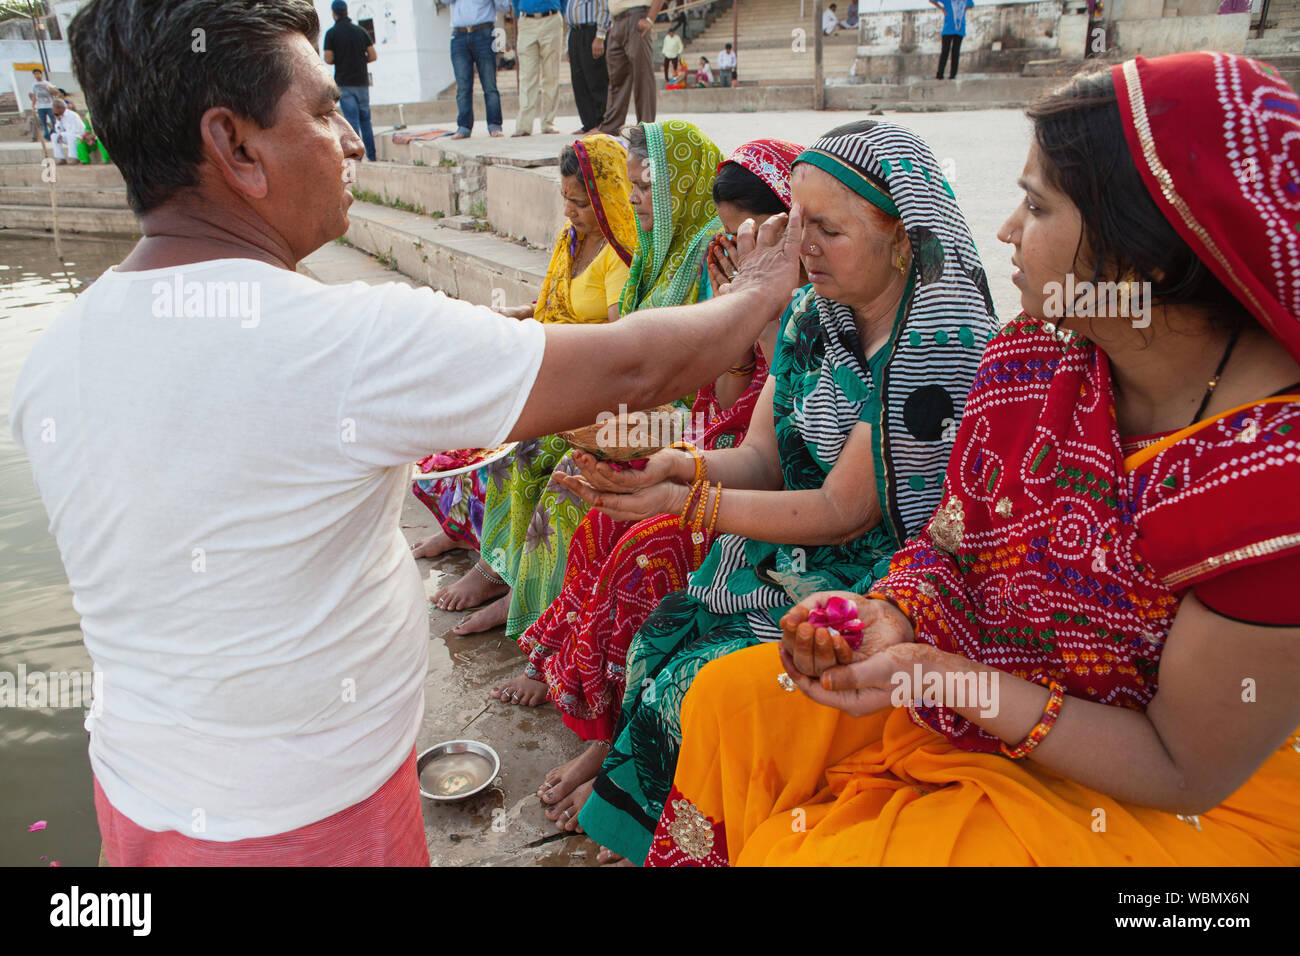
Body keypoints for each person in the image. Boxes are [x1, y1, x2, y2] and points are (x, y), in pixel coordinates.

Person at [11, 0, 800, 867]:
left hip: (141, 795)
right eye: (321, 111)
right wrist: (761, 288)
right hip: (305, 821)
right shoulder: (338, 341)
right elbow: (634, 369)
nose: (352, 139)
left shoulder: (55, 357)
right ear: (235, 146)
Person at [647, 52, 1300, 868]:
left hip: (1163, 791)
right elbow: (950, 544)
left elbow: (1181, 765)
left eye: (1036, 205)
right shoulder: (1032, 360)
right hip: (976, 677)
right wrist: (890, 612)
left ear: (1153, 252)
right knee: (730, 701)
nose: (1004, 230)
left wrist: (938, 677)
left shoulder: (1273, 485)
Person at [571, 120, 1000, 863]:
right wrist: (684, 469)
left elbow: (847, 511)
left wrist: (690, 502)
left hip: (879, 579)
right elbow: (765, 456)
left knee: (703, 680)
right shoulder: (812, 316)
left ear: (901, 236)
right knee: (666, 622)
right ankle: (643, 799)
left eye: (828, 230)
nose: (802, 249)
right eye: (800, 224)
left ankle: (687, 825)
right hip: (789, 544)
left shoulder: (935, 346)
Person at [508, 141, 803, 827]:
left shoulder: (826, 320)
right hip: (718, 445)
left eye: (757, 237)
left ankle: (623, 758)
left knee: (648, 553)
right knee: (584, 489)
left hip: (766, 503)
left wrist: (678, 480)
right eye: (733, 237)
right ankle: (589, 710)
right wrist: (744, 320)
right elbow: (728, 401)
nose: (742, 249)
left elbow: (793, 467)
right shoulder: (712, 271)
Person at [446, 120, 725, 639]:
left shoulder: (710, 257)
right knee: (526, 445)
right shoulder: (657, 248)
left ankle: (542, 624)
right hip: (634, 402)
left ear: (680, 186)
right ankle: (505, 581)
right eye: (634, 185)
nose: (636, 196)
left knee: (569, 482)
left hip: (688, 419)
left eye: (647, 187)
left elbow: (711, 377)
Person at [410, 134, 638, 562]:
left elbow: (616, 340)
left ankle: (499, 567)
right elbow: (550, 305)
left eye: (581, 203)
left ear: (612, 196)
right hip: (549, 362)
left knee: (510, 450)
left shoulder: (618, 254)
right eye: (565, 198)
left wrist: (543, 346)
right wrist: (514, 316)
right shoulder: (569, 241)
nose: (569, 211)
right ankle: (463, 531)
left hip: (585, 381)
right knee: (458, 422)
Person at [596, 0, 663, 134]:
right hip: (617, 20)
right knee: (616, 78)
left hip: (637, 16)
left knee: (643, 76)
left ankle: (646, 129)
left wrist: (650, 19)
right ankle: (611, 128)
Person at [322, 0, 377, 160]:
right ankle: (372, 157)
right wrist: (359, 61)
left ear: (334, 13)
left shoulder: (331, 33)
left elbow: (328, 58)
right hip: (362, 82)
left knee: (352, 122)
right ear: (347, 11)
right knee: (366, 120)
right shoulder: (360, 31)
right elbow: (373, 55)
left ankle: (357, 160)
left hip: (344, 83)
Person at [450, 0, 512, 139]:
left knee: (489, 84)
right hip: (459, 35)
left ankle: (494, 125)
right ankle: (464, 127)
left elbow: (504, 7)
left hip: (483, 32)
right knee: (463, 86)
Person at [511, 0, 563, 136]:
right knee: (527, 76)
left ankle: (548, 123)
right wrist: (519, 15)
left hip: (551, 19)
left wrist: (559, 12)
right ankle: (524, 126)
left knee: (551, 74)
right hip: (526, 21)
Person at [565, 0, 611, 134]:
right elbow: (570, 14)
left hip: (591, 31)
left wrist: (600, 35)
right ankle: (588, 123)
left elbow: (604, 8)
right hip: (575, 32)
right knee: (579, 81)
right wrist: (568, 45)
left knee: (596, 77)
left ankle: (601, 123)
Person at [929, 0, 972, 80]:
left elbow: (971, 5)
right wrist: (941, 8)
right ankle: (940, 74)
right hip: (948, 29)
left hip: (960, 29)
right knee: (945, 51)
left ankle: (953, 75)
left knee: (956, 52)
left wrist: (962, 10)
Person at [49, 99, 87, 166]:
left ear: (60, 108)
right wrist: (58, 121)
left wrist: (62, 134)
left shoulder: (72, 115)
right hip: (69, 135)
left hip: (79, 135)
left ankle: (74, 158)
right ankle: (61, 158)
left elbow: (74, 131)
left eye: (54, 108)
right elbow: (59, 131)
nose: (53, 110)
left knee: (70, 136)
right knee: (54, 136)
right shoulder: (60, 116)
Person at [29, 68, 56, 141]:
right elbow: (34, 95)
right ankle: (47, 137)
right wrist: (33, 105)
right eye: (35, 74)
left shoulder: (47, 83)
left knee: (53, 121)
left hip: (49, 105)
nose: (37, 75)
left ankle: (54, 134)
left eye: (38, 73)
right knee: (43, 123)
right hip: (40, 107)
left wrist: (50, 89)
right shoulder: (34, 85)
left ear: (41, 74)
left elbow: (54, 92)